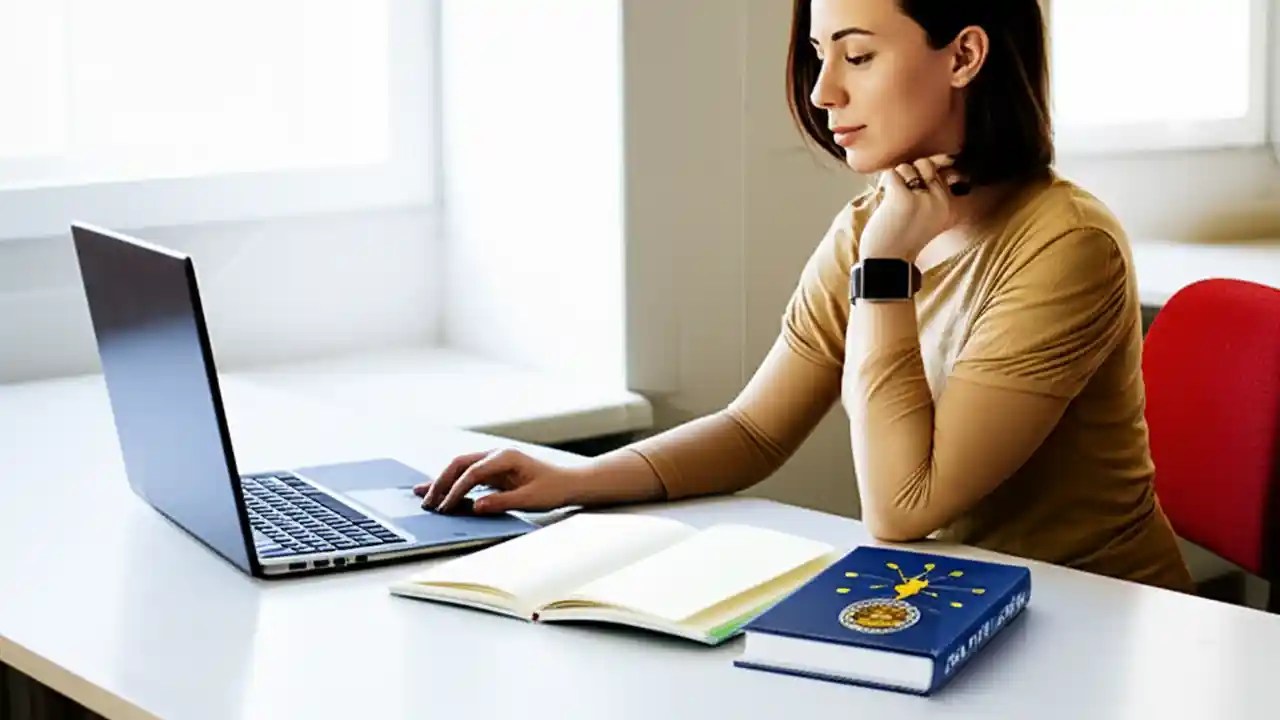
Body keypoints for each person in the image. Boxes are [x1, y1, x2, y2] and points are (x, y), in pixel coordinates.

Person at [415, 0, 1195, 593]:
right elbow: (755, 429)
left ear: (964, 55)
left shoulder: (1065, 245)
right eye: (821, 55)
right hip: (950, 602)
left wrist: (887, 269)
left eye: (857, 56)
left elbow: (902, 508)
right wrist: (576, 480)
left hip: (1090, 614)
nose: (823, 90)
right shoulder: (873, 224)